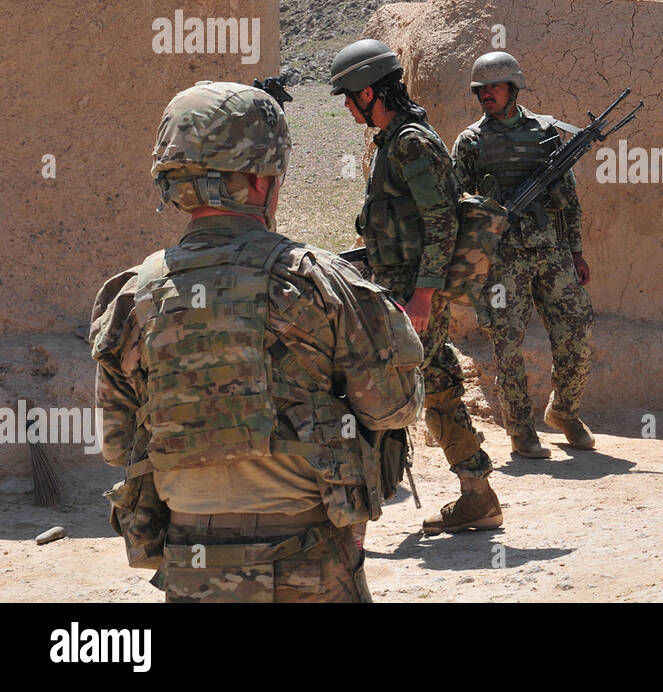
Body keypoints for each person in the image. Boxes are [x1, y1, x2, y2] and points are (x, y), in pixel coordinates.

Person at [90, 81, 424, 602]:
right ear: (259, 179)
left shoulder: (132, 296)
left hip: (190, 560)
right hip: (308, 557)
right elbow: (393, 408)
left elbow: (116, 443)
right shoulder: (319, 283)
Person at [330, 38, 503, 534]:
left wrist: (424, 294)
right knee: (441, 382)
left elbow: (442, 220)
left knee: (378, 386)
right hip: (399, 291)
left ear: (371, 92)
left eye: (349, 94)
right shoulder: (392, 140)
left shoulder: (411, 142)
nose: (345, 105)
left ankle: (354, 508)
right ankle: (478, 494)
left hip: (413, 298)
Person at [451, 51, 596, 459]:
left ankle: (564, 412)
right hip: (502, 258)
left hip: (550, 250)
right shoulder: (471, 141)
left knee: (577, 328)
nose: (487, 96)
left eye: (495, 88)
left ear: (514, 89)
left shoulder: (546, 133)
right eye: (481, 90)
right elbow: (454, 198)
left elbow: (568, 199)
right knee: (507, 343)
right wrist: (485, 210)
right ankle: (520, 430)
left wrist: (575, 251)